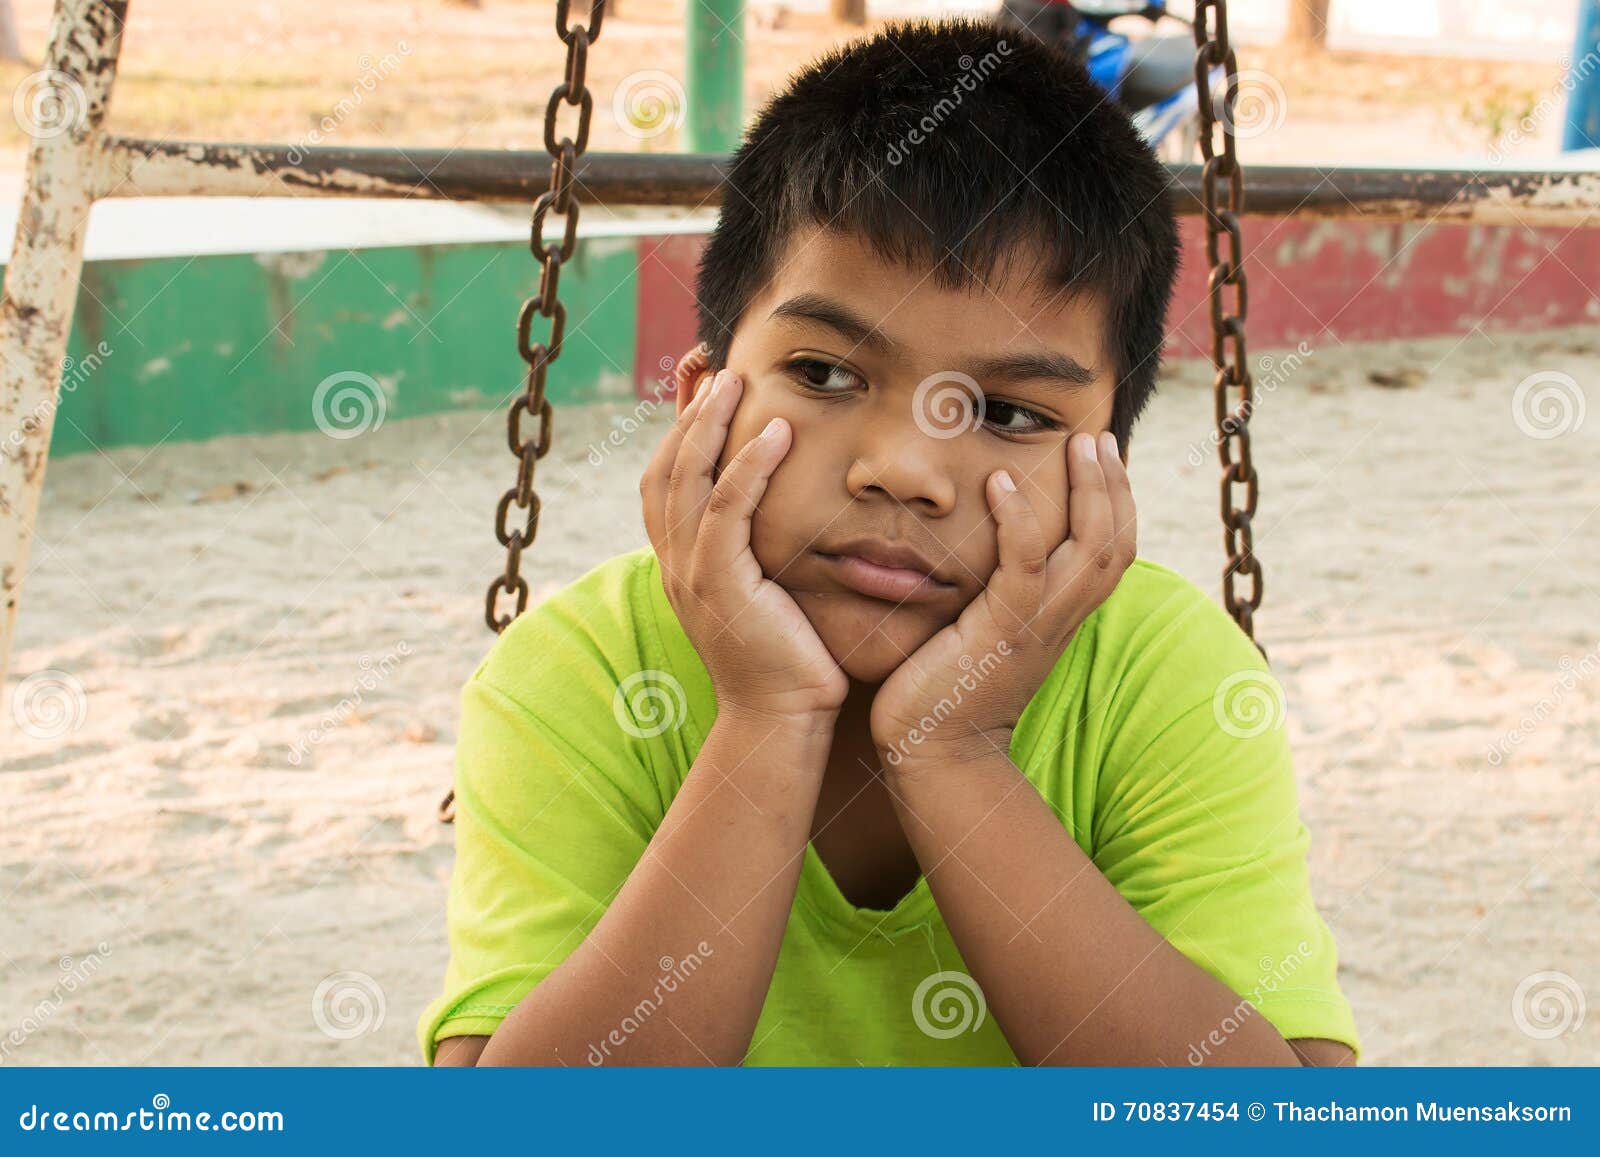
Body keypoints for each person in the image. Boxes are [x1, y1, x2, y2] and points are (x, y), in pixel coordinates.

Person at [420, 16, 1359, 1067]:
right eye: (824, 375)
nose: (904, 469)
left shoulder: (1166, 677)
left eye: (1009, 412)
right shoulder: (577, 673)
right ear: (700, 410)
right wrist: (766, 714)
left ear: (1103, 476)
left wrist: (951, 749)